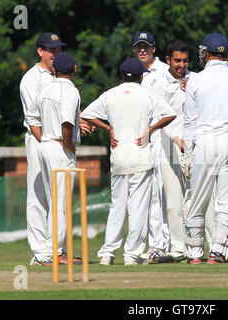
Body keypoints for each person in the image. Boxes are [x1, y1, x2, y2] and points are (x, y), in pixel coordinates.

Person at [80, 58, 176, 265]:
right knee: (138, 208)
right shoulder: (147, 94)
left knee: (117, 206)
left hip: (119, 158)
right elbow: (170, 114)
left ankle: (108, 253)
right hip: (141, 157)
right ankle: (132, 254)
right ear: (141, 76)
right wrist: (150, 129)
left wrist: (109, 128)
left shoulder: (111, 94)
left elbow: (87, 114)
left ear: (122, 75)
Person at [183, 33, 228, 264]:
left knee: (197, 200)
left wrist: (188, 156)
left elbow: (190, 123)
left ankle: (194, 254)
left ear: (206, 53)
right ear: (227, 55)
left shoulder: (196, 80)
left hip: (204, 142)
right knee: (226, 201)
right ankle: (218, 251)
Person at [26, 52, 82, 266]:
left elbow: (31, 117)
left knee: (54, 201)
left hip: (46, 146)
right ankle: (55, 253)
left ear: (54, 70)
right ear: (74, 69)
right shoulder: (71, 91)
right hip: (60, 149)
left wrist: (45, 139)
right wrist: (67, 146)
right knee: (62, 202)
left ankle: (52, 251)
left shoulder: (46, 88)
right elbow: (67, 123)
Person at [19, 32, 64, 266]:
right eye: (51, 50)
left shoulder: (59, 76)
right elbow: (33, 119)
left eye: (58, 50)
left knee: (57, 195)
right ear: (40, 51)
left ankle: (56, 250)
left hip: (58, 142)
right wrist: (46, 145)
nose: (55, 54)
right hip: (39, 141)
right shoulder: (31, 79)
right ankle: (40, 253)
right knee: (38, 196)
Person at [151, 40, 194, 263]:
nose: (181, 65)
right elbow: (161, 120)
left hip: (194, 148)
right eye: (177, 60)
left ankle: (196, 248)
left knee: (196, 200)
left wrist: (193, 90)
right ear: (168, 60)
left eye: (185, 60)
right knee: (173, 203)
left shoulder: (195, 80)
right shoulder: (159, 85)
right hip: (168, 149)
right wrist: (178, 140)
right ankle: (178, 249)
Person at [132, 31, 171, 261]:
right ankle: (157, 243)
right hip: (142, 139)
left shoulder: (165, 71)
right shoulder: (133, 73)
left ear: (154, 48)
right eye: (138, 47)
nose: (142, 50)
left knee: (163, 193)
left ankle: (164, 244)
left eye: (146, 46)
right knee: (150, 194)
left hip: (164, 136)